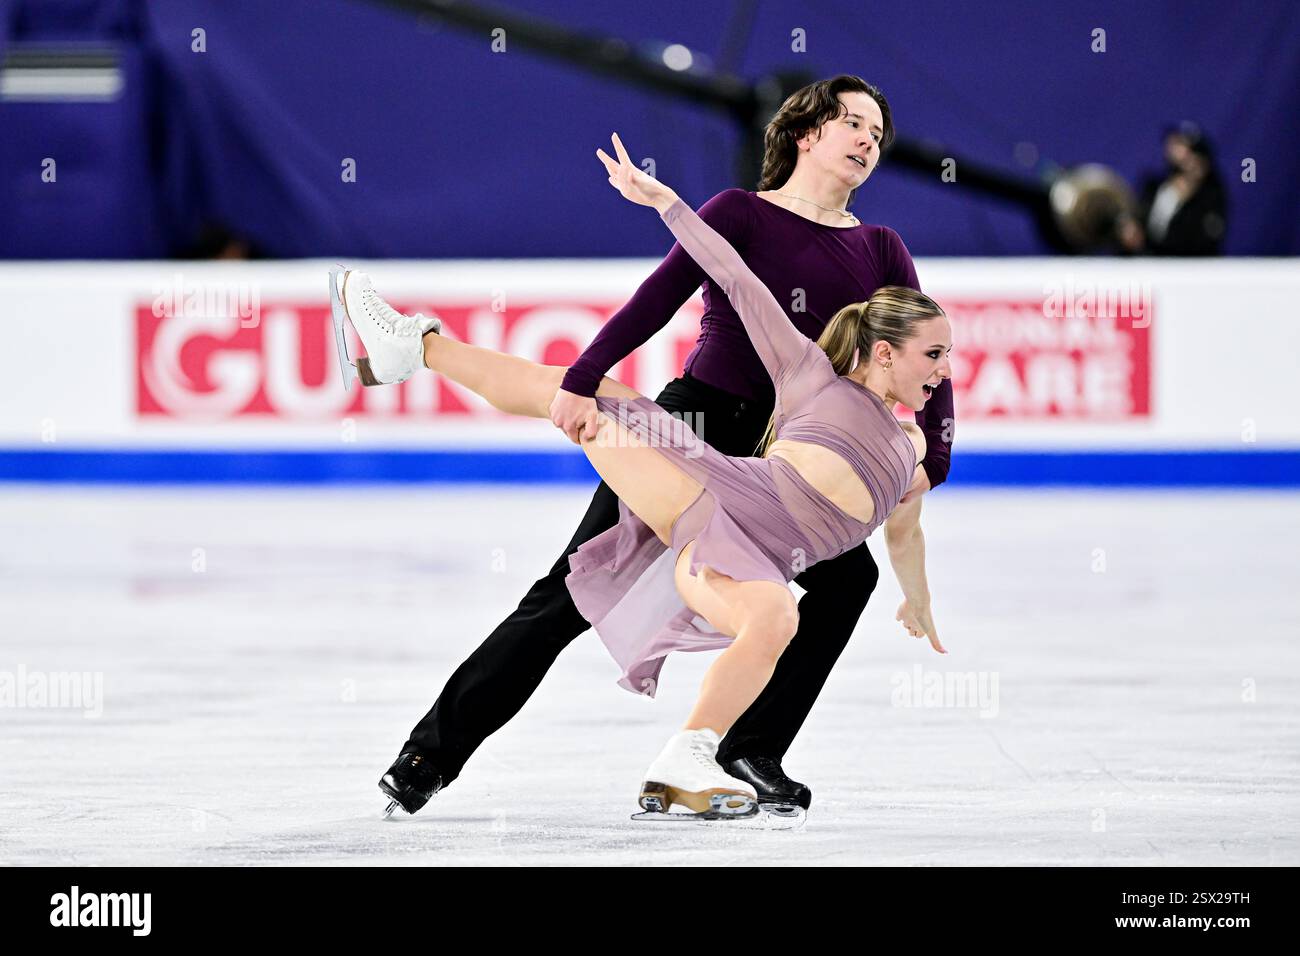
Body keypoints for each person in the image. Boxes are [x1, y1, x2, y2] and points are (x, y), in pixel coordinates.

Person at [329, 129, 952, 818]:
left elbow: (929, 353)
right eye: (854, 123)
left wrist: (931, 460)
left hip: (785, 454)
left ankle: (743, 749)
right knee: (567, 593)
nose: (869, 138)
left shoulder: (880, 248)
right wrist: (594, 357)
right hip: (706, 431)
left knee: (847, 580)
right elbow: (684, 292)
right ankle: (430, 756)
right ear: (810, 133)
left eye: (878, 131)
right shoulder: (746, 217)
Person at [1118, 121, 1227, 256]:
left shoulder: (1212, 195)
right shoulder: (1154, 187)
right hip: (1149, 266)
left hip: (1190, 268)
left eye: (1192, 155)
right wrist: (1131, 230)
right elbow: (1138, 221)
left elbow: (1204, 241)